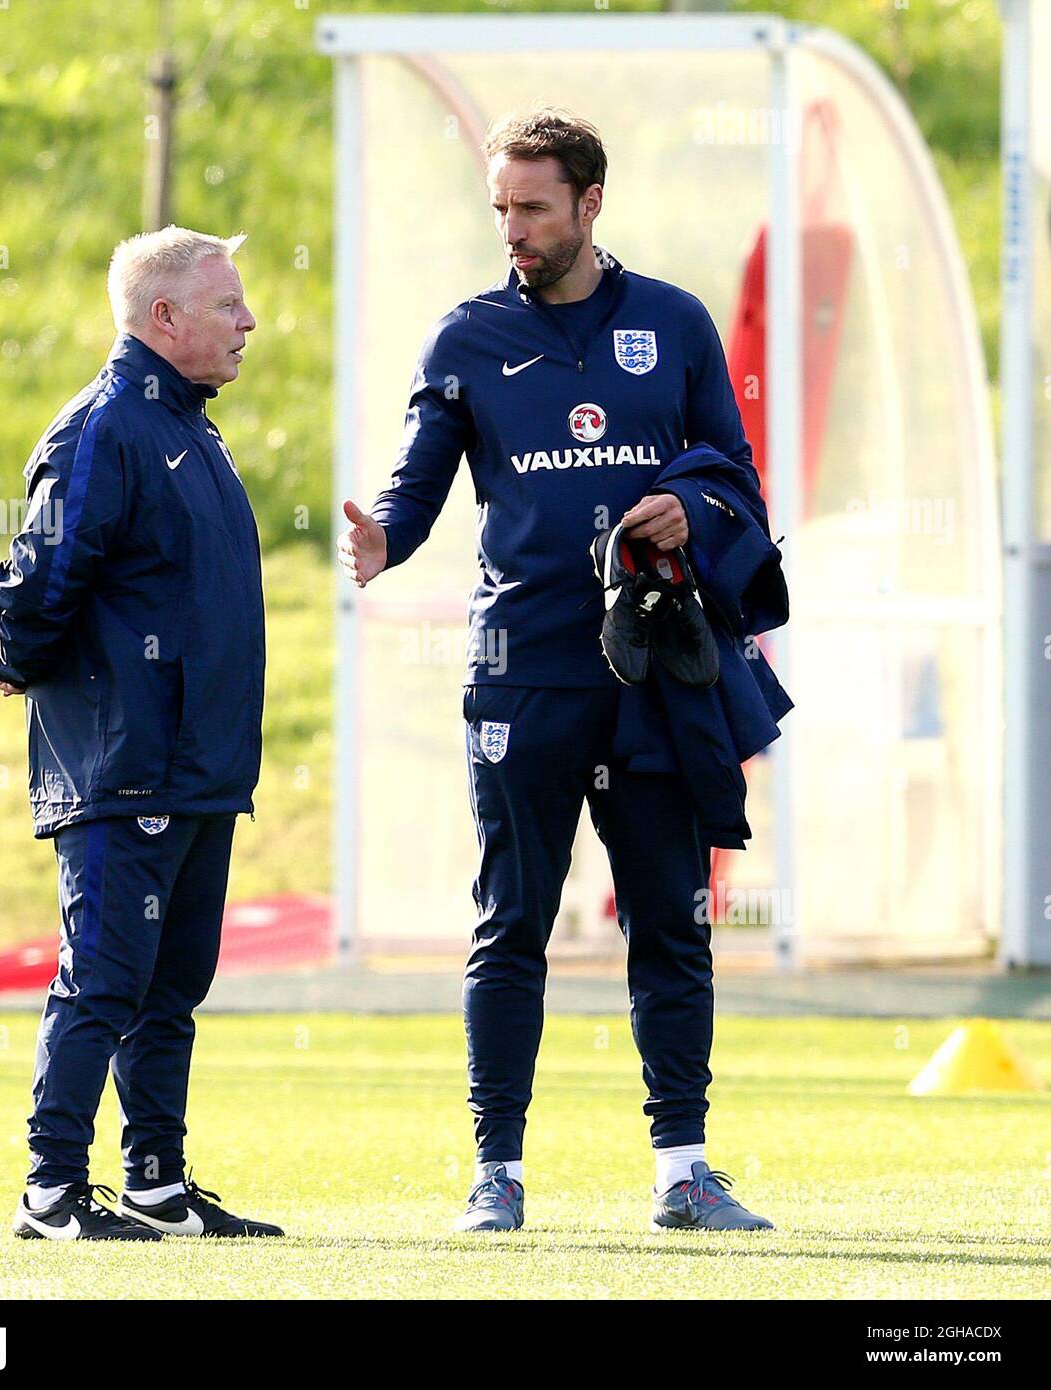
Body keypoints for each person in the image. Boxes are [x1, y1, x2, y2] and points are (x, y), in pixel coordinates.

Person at [337, 110, 786, 1233]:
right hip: (522, 671)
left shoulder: (673, 325)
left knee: (671, 923)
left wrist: (688, 506)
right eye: (499, 208)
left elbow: (736, 481)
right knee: (511, 921)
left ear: (590, 204)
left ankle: (680, 1171)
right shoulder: (464, 338)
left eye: (531, 207)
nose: (512, 229)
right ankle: (497, 1174)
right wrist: (384, 537)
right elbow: (418, 480)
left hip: (651, 672)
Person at [0, 225, 283, 1240]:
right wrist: (33, 676)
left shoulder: (190, 426)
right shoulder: (105, 427)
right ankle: (52, 1191)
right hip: (127, 764)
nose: (247, 320)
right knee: (105, 975)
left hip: (196, 766)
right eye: (226, 304)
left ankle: (156, 1178)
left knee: (170, 986)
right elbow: (37, 585)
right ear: (164, 318)